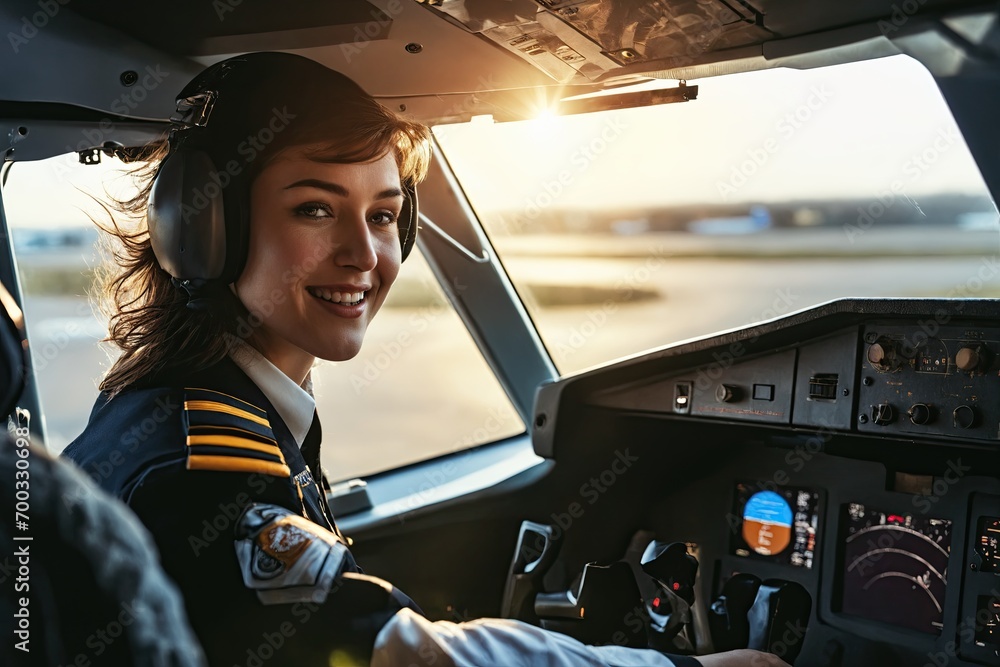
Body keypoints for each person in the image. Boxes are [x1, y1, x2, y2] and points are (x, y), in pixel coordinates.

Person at [62, 52, 790, 667]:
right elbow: (399, 656)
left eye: (382, 215)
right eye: (316, 208)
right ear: (203, 228)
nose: (364, 255)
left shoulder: (167, 406)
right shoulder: (196, 470)